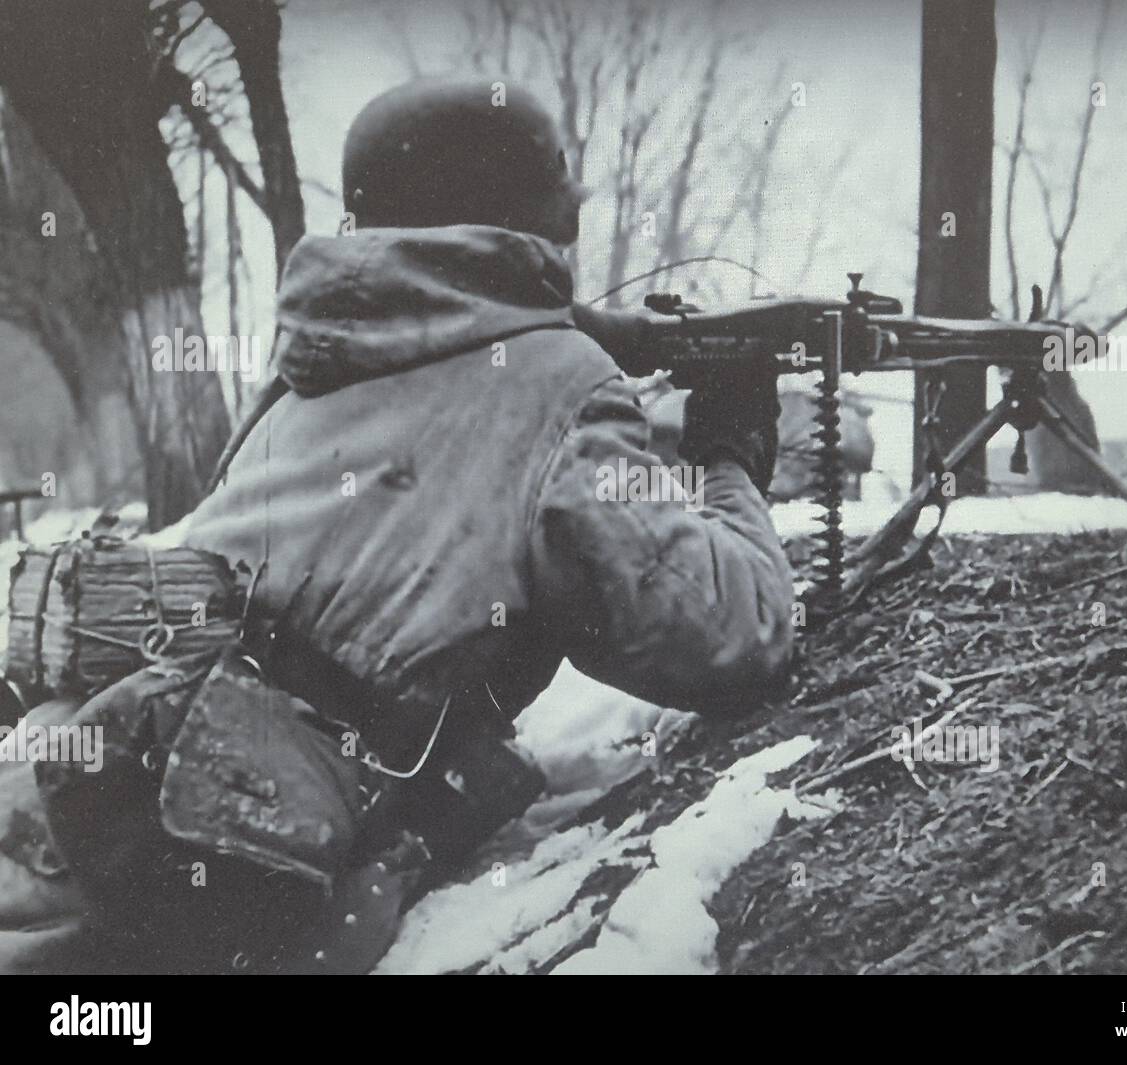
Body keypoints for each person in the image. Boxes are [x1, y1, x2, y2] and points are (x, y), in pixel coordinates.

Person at [0, 79, 794, 973]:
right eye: (558, 174)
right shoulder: (556, 379)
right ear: (514, 210)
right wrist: (731, 458)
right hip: (168, 836)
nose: (577, 198)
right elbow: (732, 635)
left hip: (73, 777)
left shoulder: (318, 365)